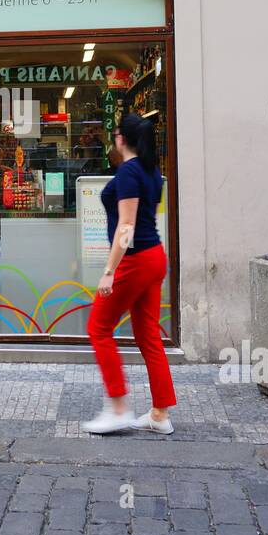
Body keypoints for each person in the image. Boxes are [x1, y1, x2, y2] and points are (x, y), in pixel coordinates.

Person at [81, 113, 176, 435]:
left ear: (121, 138)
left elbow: (126, 227)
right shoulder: (151, 170)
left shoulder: (129, 173)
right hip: (154, 257)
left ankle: (118, 407)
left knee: (99, 327)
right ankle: (160, 415)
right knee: (148, 335)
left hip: (134, 261)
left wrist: (109, 270)